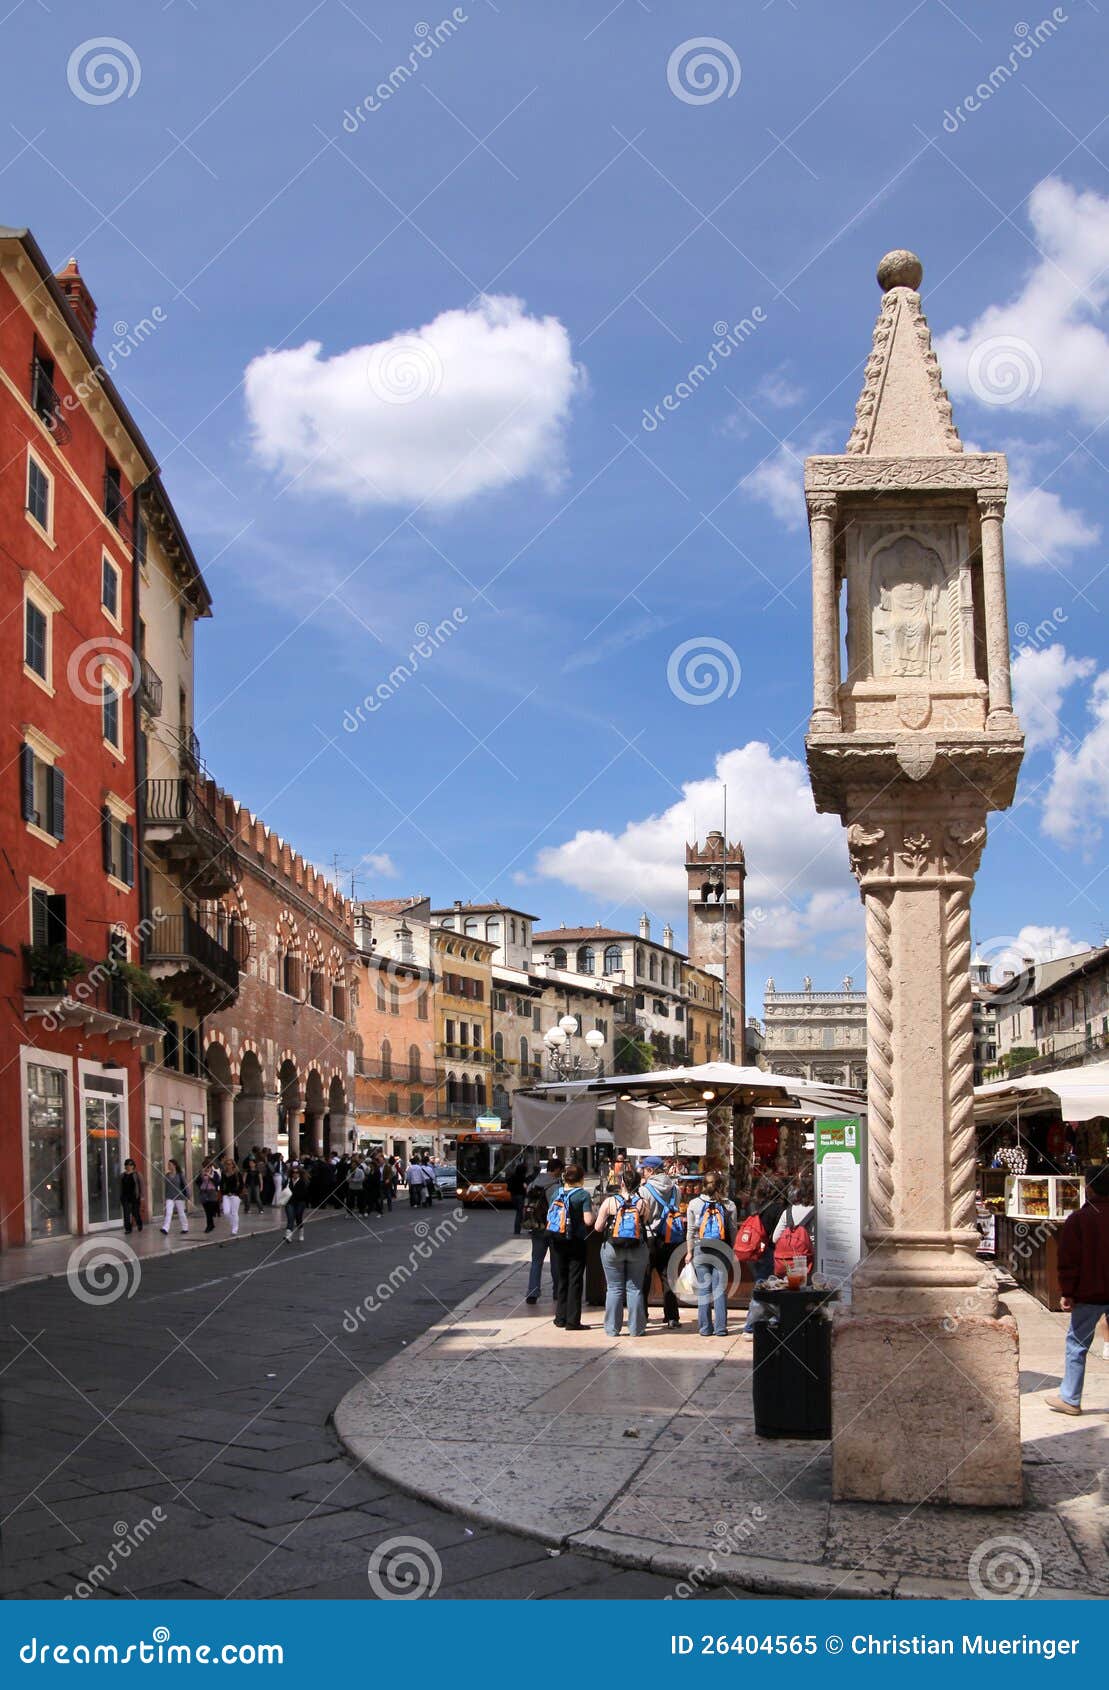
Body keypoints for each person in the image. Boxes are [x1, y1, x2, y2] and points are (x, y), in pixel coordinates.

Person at [1045, 1162, 1109, 1415]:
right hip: (1093, 1292)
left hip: (1089, 1294)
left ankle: (1070, 1398)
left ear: (1090, 1188)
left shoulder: (1079, 1220)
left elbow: (1069, 1260)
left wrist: (1067, 1292)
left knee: (1077, 1345)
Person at [595, 1166, 650, 1337]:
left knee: (614, 1288)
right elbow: (645, 1222)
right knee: (635, 1289)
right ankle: (636, 1329)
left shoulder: (610, 1202)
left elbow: (597, 1227)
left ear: (622, 1183)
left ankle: (612, 1329)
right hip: (637, 1248)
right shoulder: (643, 1203)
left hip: (612, 1248)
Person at [685, 1171, 738, 1337]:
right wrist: (734, 1250)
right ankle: (720, 1328)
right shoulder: (729, 1205)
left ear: (703, 1185)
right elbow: (733, 1230)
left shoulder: (694, 1204)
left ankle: (705, 1328)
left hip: (701, 1249)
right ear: (721, 1185)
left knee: (704, 1290)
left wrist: (689, 1252)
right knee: (719, 1289)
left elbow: (690, 1231)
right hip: (722, 1250)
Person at [547, 1163, 594, 1331]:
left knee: (562, 1279)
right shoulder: (583, 1195)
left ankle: (560, 1318)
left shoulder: (556, 1193)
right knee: (575, 1280)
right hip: (576, 1241)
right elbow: (588, 1220)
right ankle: (573, 1321)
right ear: (581, 1178)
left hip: (557, 1240)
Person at [640, 1156, 682, 1330]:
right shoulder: (676, 1189)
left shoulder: (644, 1190)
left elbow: (643, 1215)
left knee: (645, 1277)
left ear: (651, 1170)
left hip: (650, 1237)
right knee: (668, 1277)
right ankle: (672, 1317)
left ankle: (642, 1315)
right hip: (670, 1237)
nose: (642, 1172)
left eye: (644, 1169)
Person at [742, 1172, 786, 1335]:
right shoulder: (779, 1209)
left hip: (755, 1251)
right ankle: (752, 1325)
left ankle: (762, 1321)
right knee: (767, 1288)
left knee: (761, 1286)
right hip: (769, 1251)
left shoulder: (755, 1206)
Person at [524, 1158, 563, 1304]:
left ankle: (532, 1292)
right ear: (557, 1169)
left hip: (536, 1225)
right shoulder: (556, 1186)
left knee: (536, 1261)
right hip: (552, 1227)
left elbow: (527, 1204)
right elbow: (559, 1208)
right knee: (556, 1261)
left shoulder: (533, 1183)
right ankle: (557, 1292)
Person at [161, 1160, 189, 1235]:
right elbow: (166, 1187)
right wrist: (165, 1197)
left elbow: (185, 1185)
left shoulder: (180, 1175)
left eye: (170, 1165)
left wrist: (187, 1195)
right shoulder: (167, 1175)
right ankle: (165, 1228)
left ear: (174, 1165)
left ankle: (185, 1227)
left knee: (181, 1213)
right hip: (170, 1197)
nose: (168, 1166)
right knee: (168, 1212)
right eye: (168, 1164)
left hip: (179, 1197)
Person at [284, 1161, 309, 1243]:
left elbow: (305, 1194)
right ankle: (288, 1235)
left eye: (297, 1173)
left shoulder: (303, 1182)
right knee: (290, 1218)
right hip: (289, 1202)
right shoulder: (288, 1181)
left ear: (299, 1173)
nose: (295, 1174)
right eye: (293, 1173)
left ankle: (301, 1233)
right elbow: (284, 1190)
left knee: (298, 1218)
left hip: (300, 1203)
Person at [195, 1157, 222, 1233]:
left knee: (211, 1209)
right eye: (204, 1167)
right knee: (207, 1210)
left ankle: (210, 1225)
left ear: (211, 1167)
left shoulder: (214, 1173)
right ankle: (209, 1225)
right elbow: (197, 1182)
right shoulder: (202, 1173)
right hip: (204, 1192)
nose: (206, 1169)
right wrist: (201, 1176)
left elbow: (218, 1182)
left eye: (208, 1167)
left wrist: (210, 1177)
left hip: (212, 1192)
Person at [221, 1155, 244, 1236]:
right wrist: (224, 1192)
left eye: (230, 1164)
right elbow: (221, 1184)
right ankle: (233, 1223)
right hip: (226, 1195)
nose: (228, 1165)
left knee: (234, 1213)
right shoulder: (224, 1173)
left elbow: (241, 1185)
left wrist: (235, 1192)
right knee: (226, 1212)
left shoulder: (237, 1173)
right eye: (227, 1164)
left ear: (233, 1165)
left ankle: (235, 1229)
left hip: (235, 1195)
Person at [506, 1157, 530, 1235]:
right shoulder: (522, 1178)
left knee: (518, 1212)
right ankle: (517, 1230)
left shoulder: (512, 1177)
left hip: (513, 1196)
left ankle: (518, 1229)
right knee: (519, 1213)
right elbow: (525, 1185)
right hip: (520, 1196)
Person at [120, 1158, 143, 1234]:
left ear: (133, 1166)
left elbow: (141, 1185)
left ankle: (139, 1223)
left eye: (130, 1165)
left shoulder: (137, 1174)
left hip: (134, 1196)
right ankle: (128, 1228)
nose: (128, 1166)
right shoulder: (122, 1175)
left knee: (135, 1212)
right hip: (125, 1197)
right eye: (127, 1165)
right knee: (126, 1213)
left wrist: (142, 1196)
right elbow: (120, 1186)